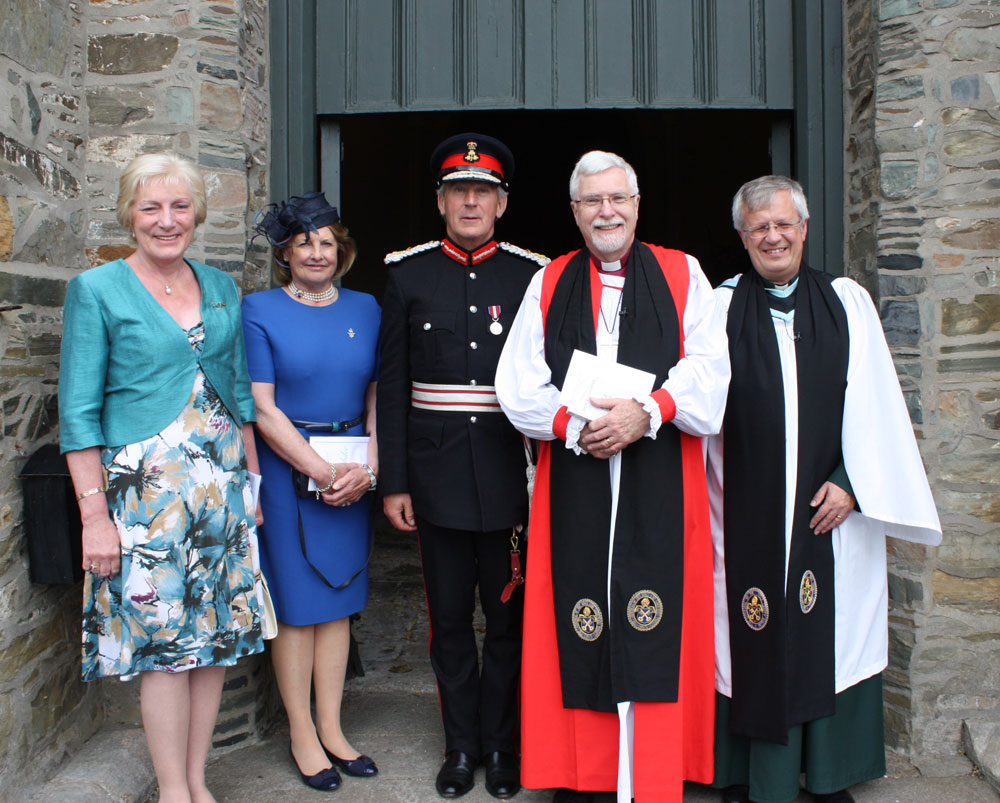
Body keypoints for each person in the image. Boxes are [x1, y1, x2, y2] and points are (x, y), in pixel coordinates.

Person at [495, 150, 731, 803]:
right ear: (574, 212)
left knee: (655, 615)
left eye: (617, 199)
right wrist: (574, 425)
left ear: (636, 204)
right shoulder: (549, 281)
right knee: (581, 613)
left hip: (662, 477)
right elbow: (517, 385)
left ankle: (652, 773)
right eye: (592, 201)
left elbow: (711, 373)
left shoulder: (685, 274)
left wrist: (647, 411)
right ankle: (585, 772)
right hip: (576, 484)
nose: (606, 211)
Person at [707, 175, 942, 803]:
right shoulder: (718, 307)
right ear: (743, 236)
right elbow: (698, 412)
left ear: (805, 229)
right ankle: (750, 772)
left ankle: (826, 771)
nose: (773, 236)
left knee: (829, 630)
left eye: (784, 224)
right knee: (744, 627)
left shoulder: (846, 302)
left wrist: (850, 483)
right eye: (760, 227)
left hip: (828, 513)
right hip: (742, 510)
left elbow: (878, 405)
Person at [59, 152, 264, 803]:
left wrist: (251, 484)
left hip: (221, 487)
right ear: (129, 214)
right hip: (145, 499)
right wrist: (94, 516)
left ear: (197, 213)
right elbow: (78, 413)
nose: (166, 220)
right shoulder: (98, 291)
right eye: (151, 207)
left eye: (180, 206)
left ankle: (199, 780)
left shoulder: (222, 286)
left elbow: (236, 389)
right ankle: (173, 790)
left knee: (214, 643)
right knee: (165, 645)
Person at [377, 133, 547, 800]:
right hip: (435, 477)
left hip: (511, 478)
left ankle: (503, 745)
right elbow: (393, 385)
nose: (470, 200)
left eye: (483, 191)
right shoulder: (407, 274)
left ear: (501, 203)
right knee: (448, 620)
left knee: (506, 622)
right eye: (458, 190)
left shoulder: (533, 275)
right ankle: (460, 746)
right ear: (442, 201)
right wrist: (394, 480)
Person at [241, 192, 380, 792]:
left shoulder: (370, 307)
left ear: (341, 251)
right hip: (289, 469)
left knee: (341, 601)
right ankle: (302, 733)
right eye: (304, 243)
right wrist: (322, 473)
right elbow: (263, 409)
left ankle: (334, 728)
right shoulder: (259, 310)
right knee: (299, 611)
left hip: (356, 468)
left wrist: (369, 470)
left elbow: (380, 395)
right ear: (285, 253)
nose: (317, 253)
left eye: (327, 243)